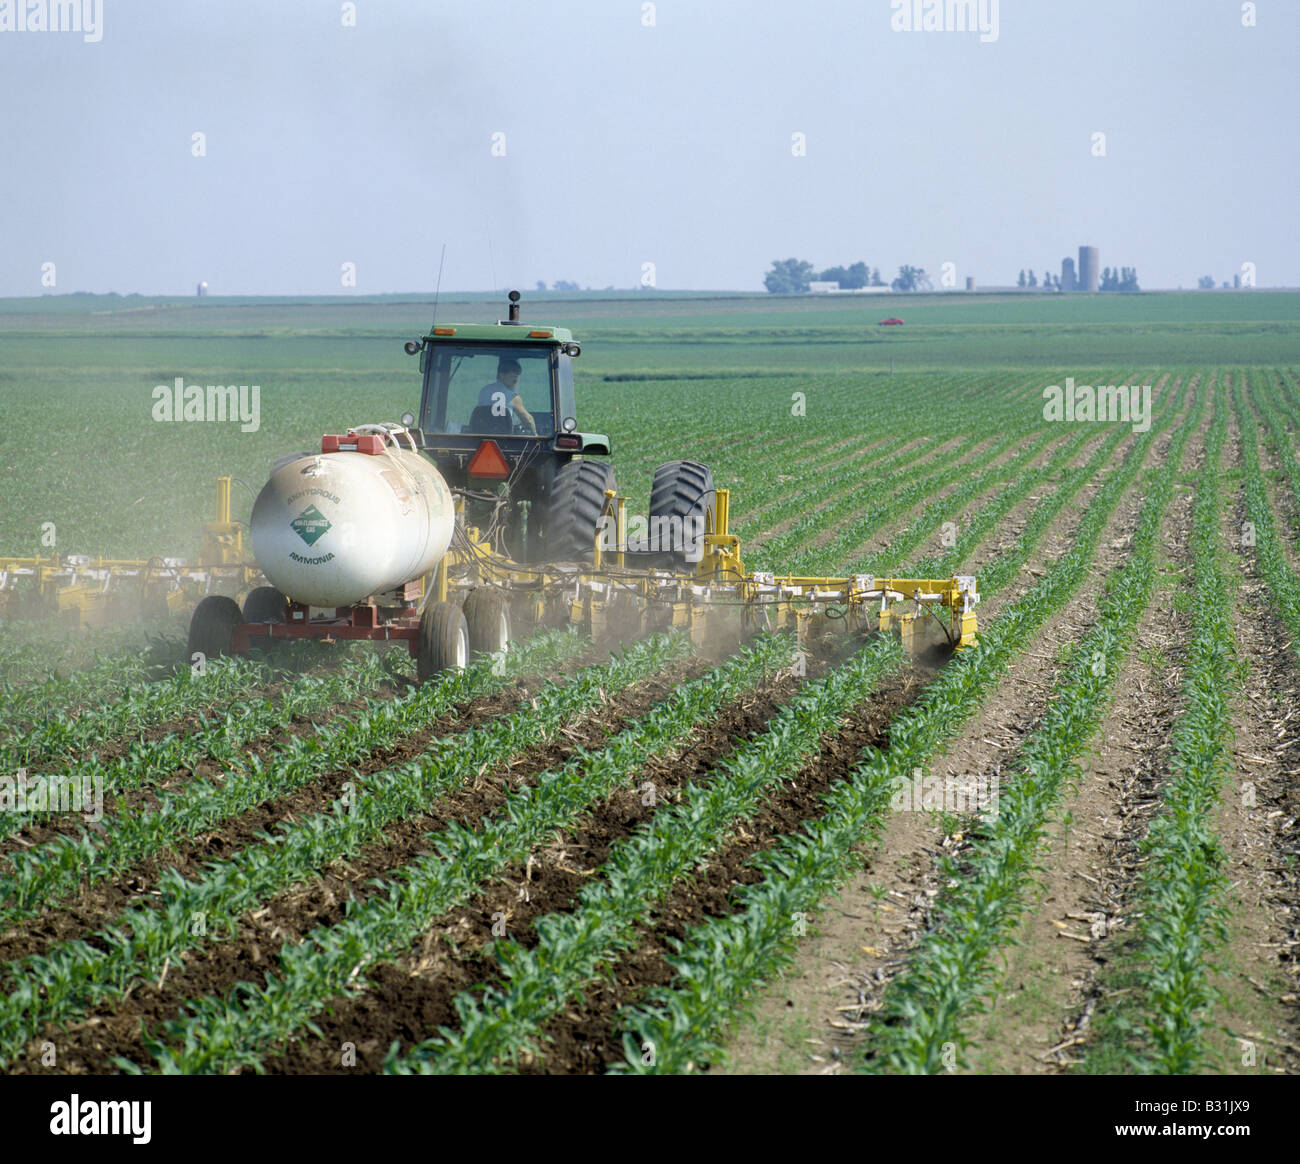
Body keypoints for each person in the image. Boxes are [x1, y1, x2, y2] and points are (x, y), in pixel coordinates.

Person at [477, 358, 536, 434]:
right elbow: (529, 420)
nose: (516, 380)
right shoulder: (513, 397)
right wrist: (536, 435)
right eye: (512, 376)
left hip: (482, 434)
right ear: (501, 375)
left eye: (517, 376)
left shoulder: (483, 391)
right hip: (505, 438)